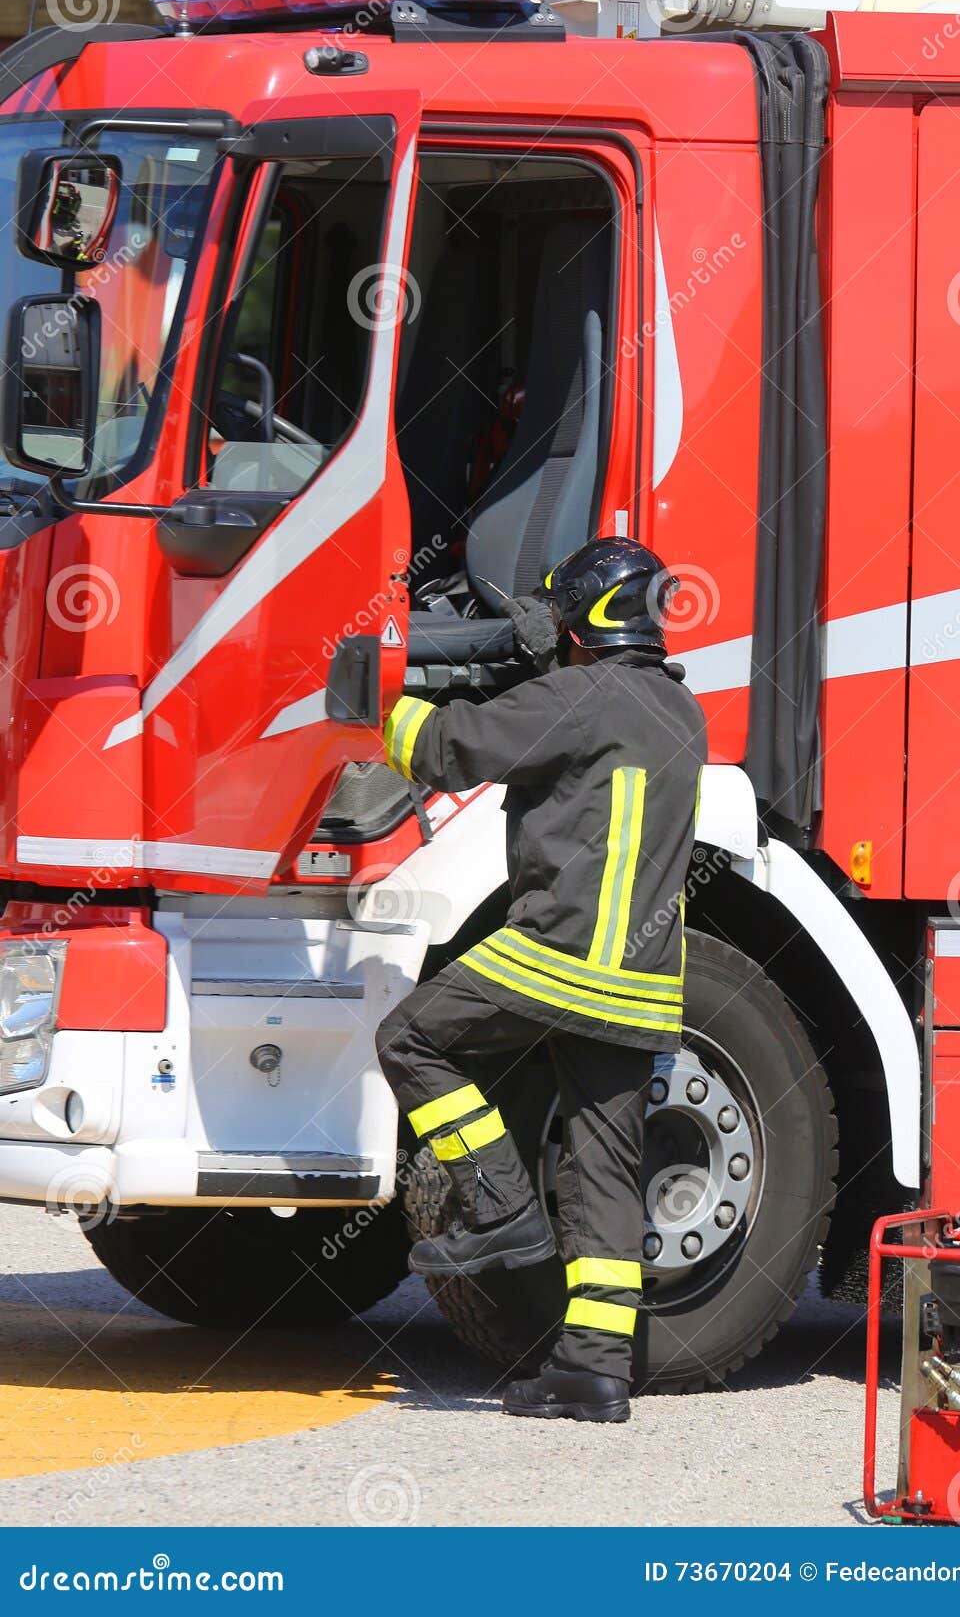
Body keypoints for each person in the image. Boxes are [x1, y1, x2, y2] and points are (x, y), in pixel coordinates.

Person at [375, 536, 707, 1422]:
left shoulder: (578, 694)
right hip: (643, 980)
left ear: (579, 620)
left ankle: (500, 1209)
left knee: (409, 1037)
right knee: (604, 1173)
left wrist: (372, 692)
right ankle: (594, 1372)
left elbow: (444, 749)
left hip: (559, 956)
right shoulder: (680, 712)